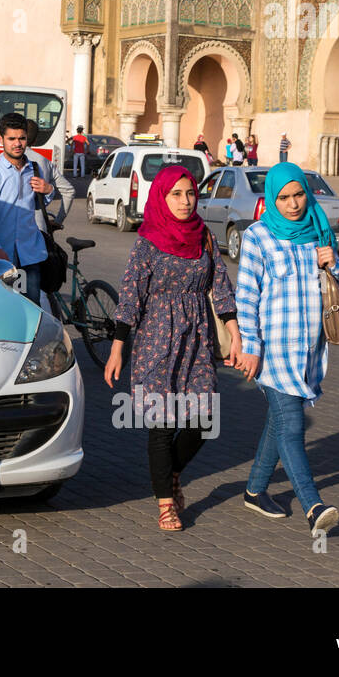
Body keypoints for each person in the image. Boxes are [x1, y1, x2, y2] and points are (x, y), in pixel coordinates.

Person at [104, 165, 240, 532]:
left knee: (204, 418)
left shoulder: (204, 237)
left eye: (190, 193)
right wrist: (117, 348)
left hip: (197, 339)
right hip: (157, 341)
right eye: (176, 194)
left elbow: (221, 288)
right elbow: (130, 296)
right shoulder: (147, 242)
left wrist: (235, 335)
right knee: (163, 425)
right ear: (161, 198)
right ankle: (166, 503)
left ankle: (172, 472)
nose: (185, 201)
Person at [236, 162, 339, 536]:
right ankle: (313, 507)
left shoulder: (318, 229)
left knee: (280, 421)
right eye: (283, 198)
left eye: (298, 194)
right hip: (273, 351)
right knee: (292, 425)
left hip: (309, 349)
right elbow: (247, 297)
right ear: (272, 199)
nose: (293, 204)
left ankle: (255, 490)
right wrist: (251, 347)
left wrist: (333, 263)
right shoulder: (258, 237)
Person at [0, 113, 74, 308]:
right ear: (1, 139)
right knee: (2, 308)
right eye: (11, 139)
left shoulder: (34, 169)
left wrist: (49, 191)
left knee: (31, 308)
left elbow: (36, 206)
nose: (17, 144)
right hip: (1, 259)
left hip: (30, 254)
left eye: (22, 138)